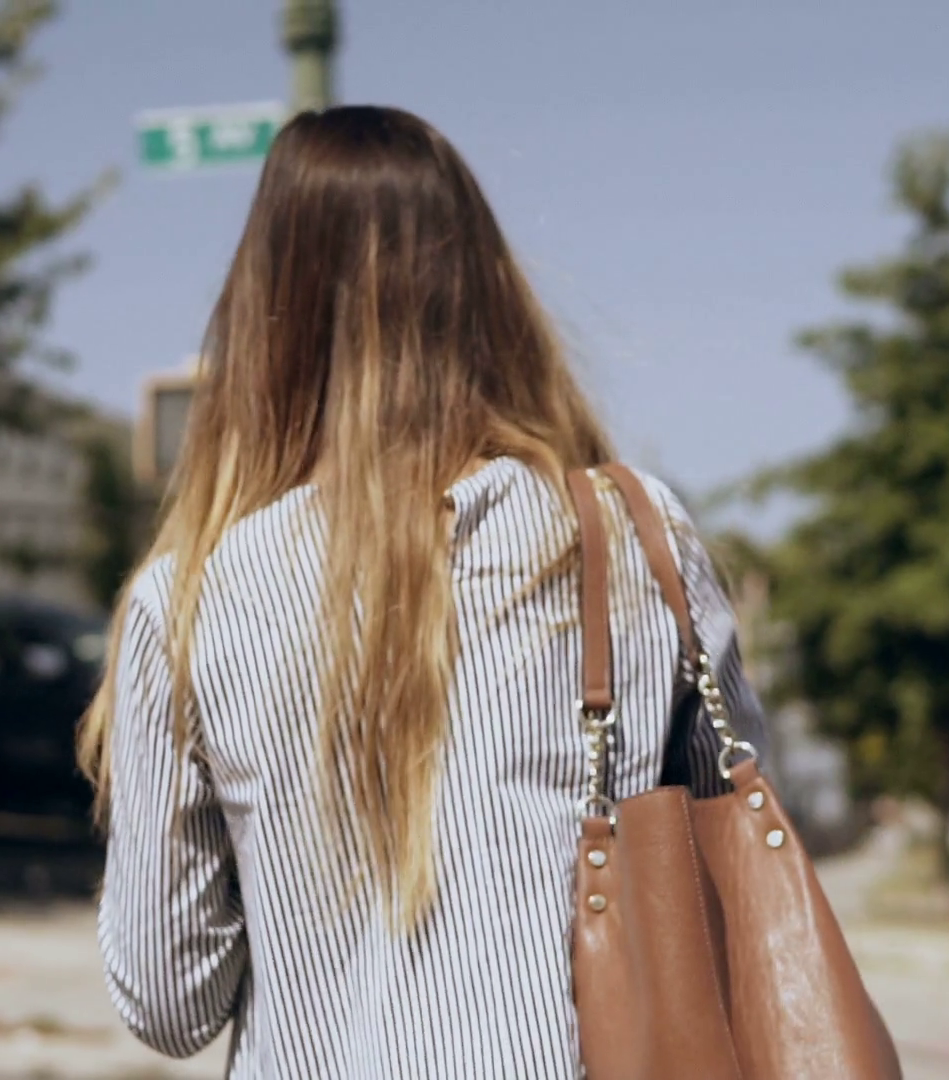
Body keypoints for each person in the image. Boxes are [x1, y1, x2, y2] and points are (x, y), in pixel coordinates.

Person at [79, 105, 770, 1079]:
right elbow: (737, 872)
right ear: (485, 293)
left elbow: (169, 1000)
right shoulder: (631, 541)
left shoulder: (189, 602)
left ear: (266, 316)